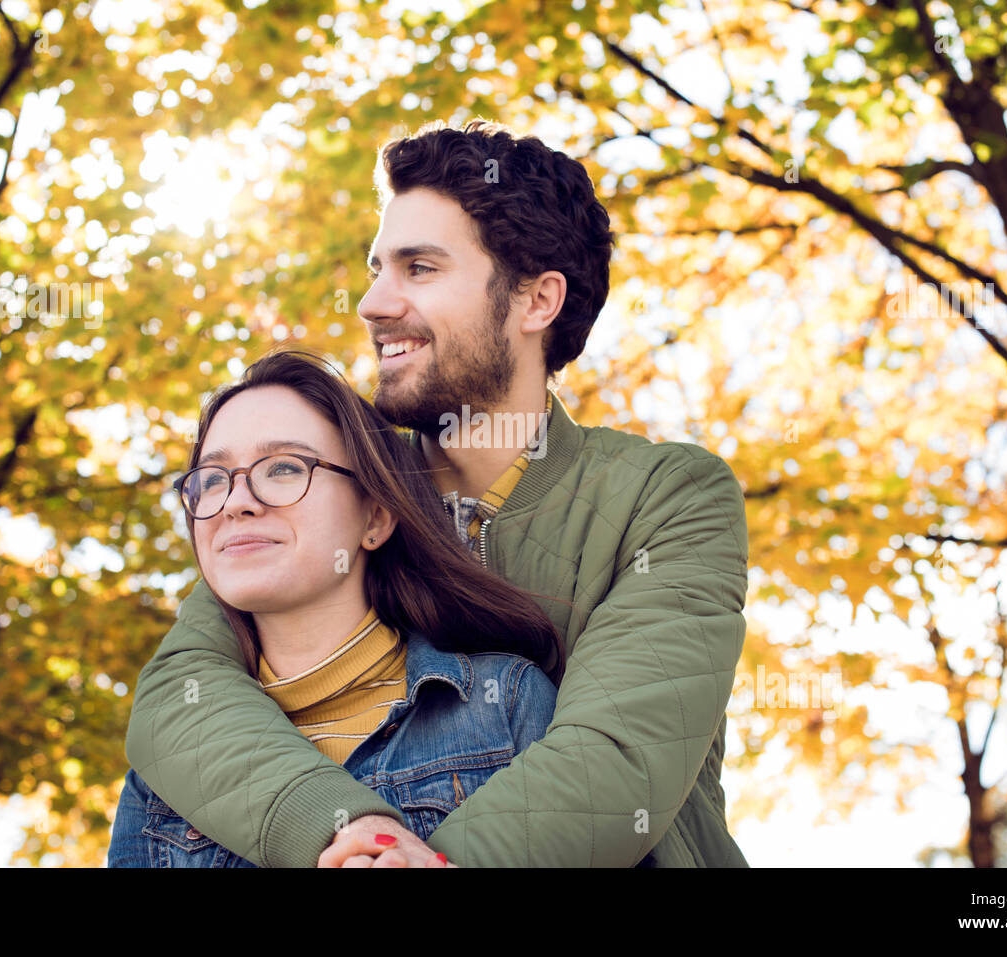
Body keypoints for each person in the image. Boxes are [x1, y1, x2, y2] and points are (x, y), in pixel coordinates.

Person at [125, 119, 750, 867]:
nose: (374, 303)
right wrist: (352, 835)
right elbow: (178, 694)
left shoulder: (669, 496)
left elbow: (614, 757)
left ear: (536, 301)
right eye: (376, 268)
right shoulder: (335, 488)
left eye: (419, 268)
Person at [107, 349, 563, 867]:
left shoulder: (503, 704)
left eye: (282, 467)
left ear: (376, 516)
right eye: (211, 479)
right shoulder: (166, 773)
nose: (235, 502)